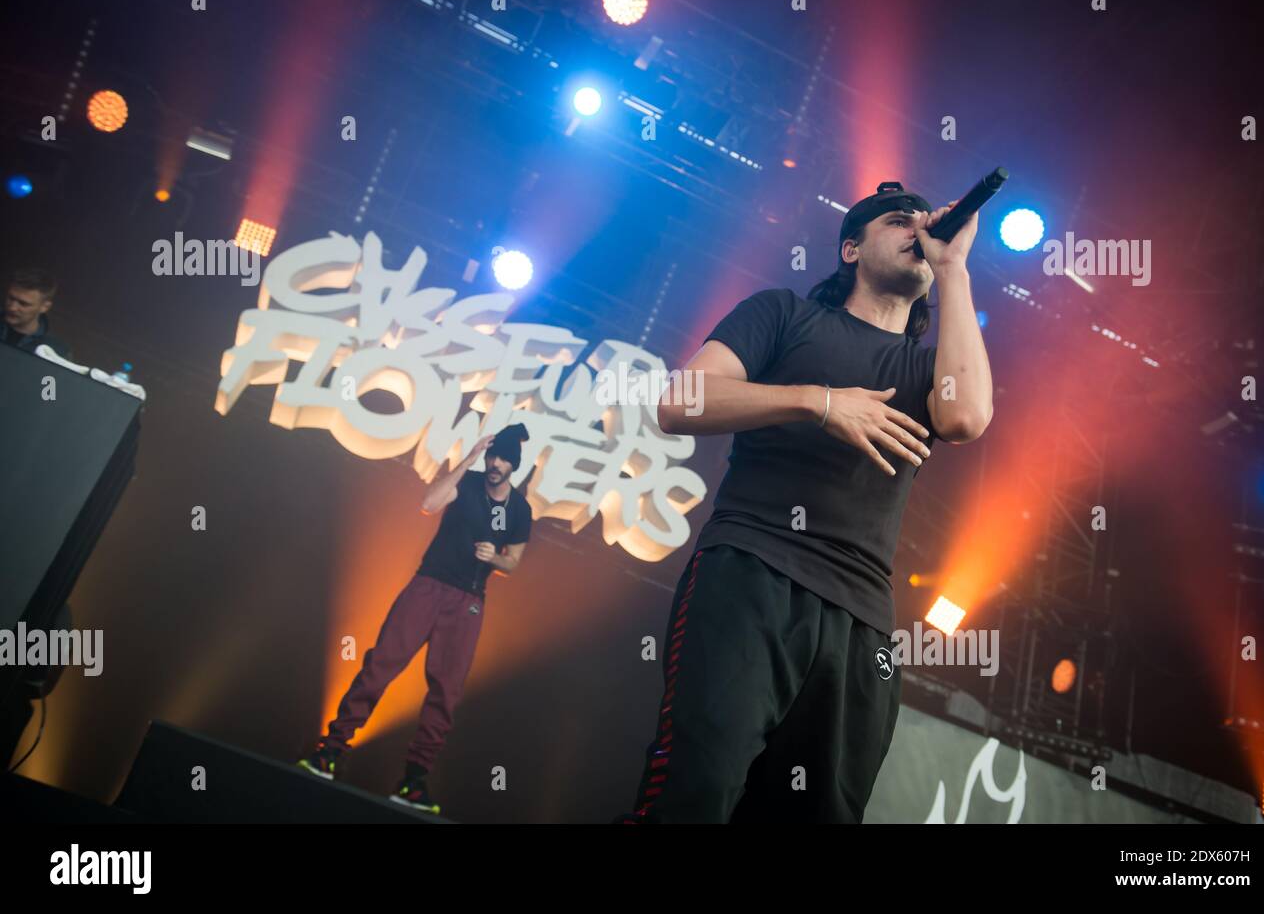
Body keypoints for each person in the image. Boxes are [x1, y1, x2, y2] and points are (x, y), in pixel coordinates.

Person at [623, 182, 994, 823]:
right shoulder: (785, 314)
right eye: (897, 221)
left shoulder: (927, 367)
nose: (917, 230)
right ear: (850, 247)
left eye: (922, 224)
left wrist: (953, 269)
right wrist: (819, 401)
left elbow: (964, 418)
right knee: (697, 788)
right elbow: (677, 401)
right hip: (751, 572)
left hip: (863, 619)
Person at [298, 423, 533, 812]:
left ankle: (413, 782)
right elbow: (430, 502)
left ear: (515, 466)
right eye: (493, 456)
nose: (496, 464)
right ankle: (332, 749)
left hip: (469, 601)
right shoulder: (469, 481)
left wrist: (496, 558)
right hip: (429, 585)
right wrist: (468, 460)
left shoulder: (520, 511)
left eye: (504, 459)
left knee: (446, 690)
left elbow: (514, 562)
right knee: (382, 664)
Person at [2, 268, 70, 358]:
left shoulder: (56, 351)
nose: (12, 307)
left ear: (45, 307)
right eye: (11, 298)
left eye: (23, 304)